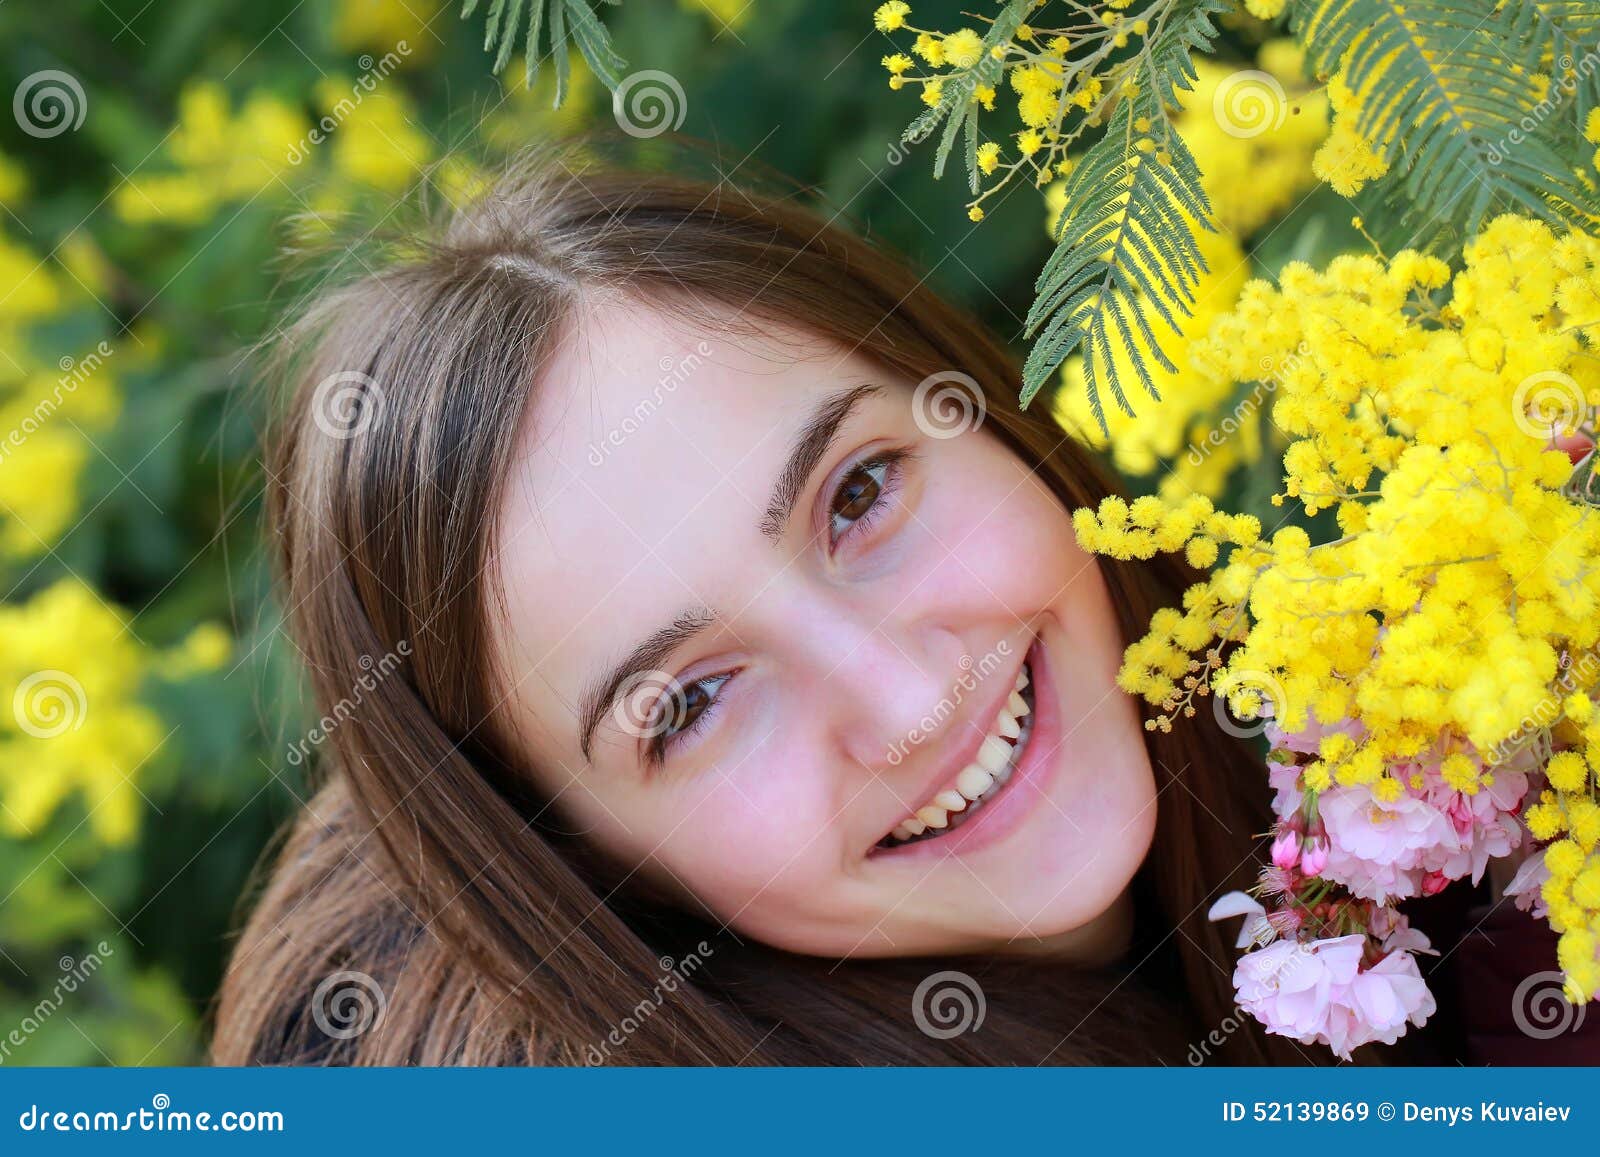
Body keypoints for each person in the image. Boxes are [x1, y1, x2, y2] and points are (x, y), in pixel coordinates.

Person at [213, 144, 1471, 1066]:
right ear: (582, 869)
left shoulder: (1425, 684)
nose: (914, 700)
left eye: (858, 493)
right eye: (690, 702)